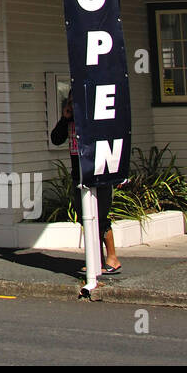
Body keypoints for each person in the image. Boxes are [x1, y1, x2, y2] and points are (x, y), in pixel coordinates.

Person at [51, 97, 121, 274]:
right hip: (79, 176)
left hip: (99, 173)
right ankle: (95, 260)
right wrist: (65, 118)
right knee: (86, 217)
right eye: (71, 103)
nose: (73, 107)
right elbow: (56, 139)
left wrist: (116, 173)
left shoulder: (97, 119)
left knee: (101, 216)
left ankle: (112, 258)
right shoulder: (71, 122)